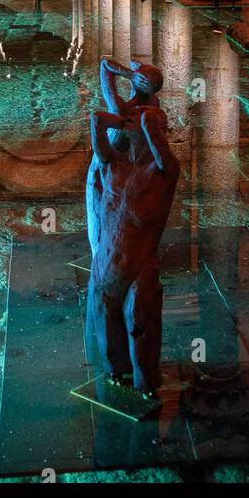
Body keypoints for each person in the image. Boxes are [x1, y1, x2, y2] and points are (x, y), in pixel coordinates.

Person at [86, 57, 178, 398]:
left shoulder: (160, 173)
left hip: (139, 267)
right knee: (107, 326)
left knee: (141, 324)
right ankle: (116, 372)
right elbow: (98, 117)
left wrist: (145, 124)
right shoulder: (115, 166)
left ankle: (146, 380)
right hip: (107, 263)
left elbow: (163, 156)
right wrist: (125, 113)